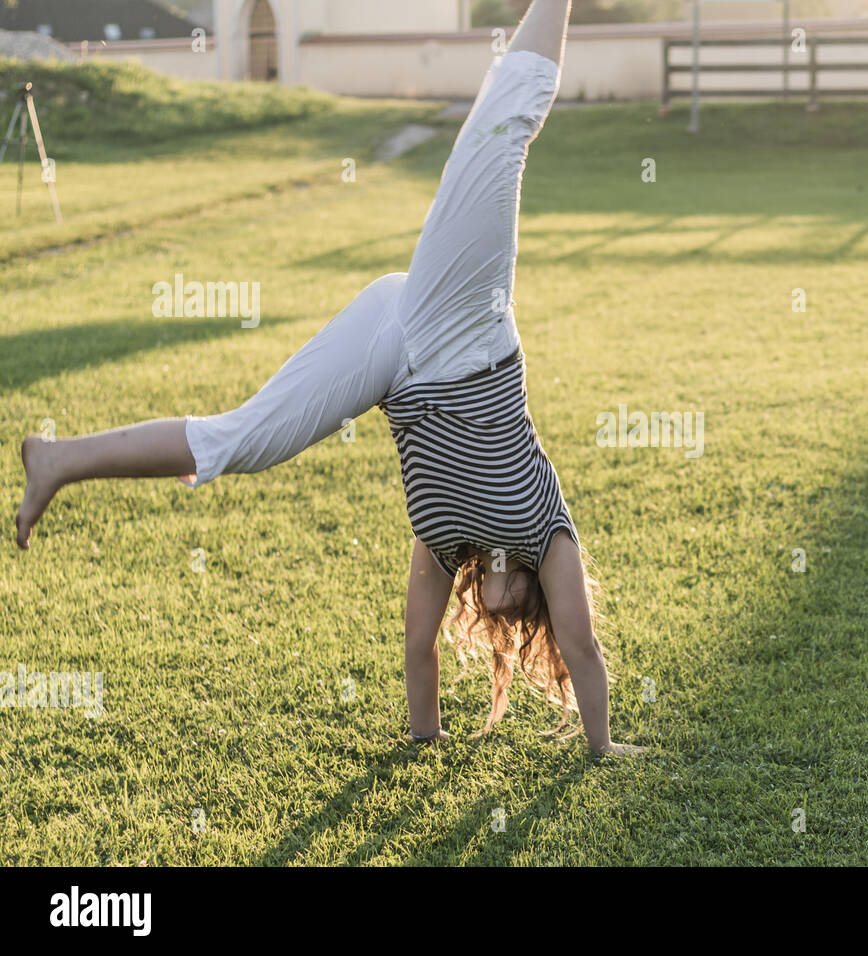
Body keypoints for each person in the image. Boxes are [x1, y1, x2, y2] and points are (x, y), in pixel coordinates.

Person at [15, 0, 643, 757]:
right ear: (538, 594)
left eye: (494, 611)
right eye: (510, 609)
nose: (496, 607)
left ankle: (58, 459)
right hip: (463, 326)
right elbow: (582, 650)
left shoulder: (444, 544)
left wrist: (424, 740)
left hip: (391, 354)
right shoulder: (547, 530)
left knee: (243, 441)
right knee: (502, 129)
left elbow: (419, 648)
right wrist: (603, 747)